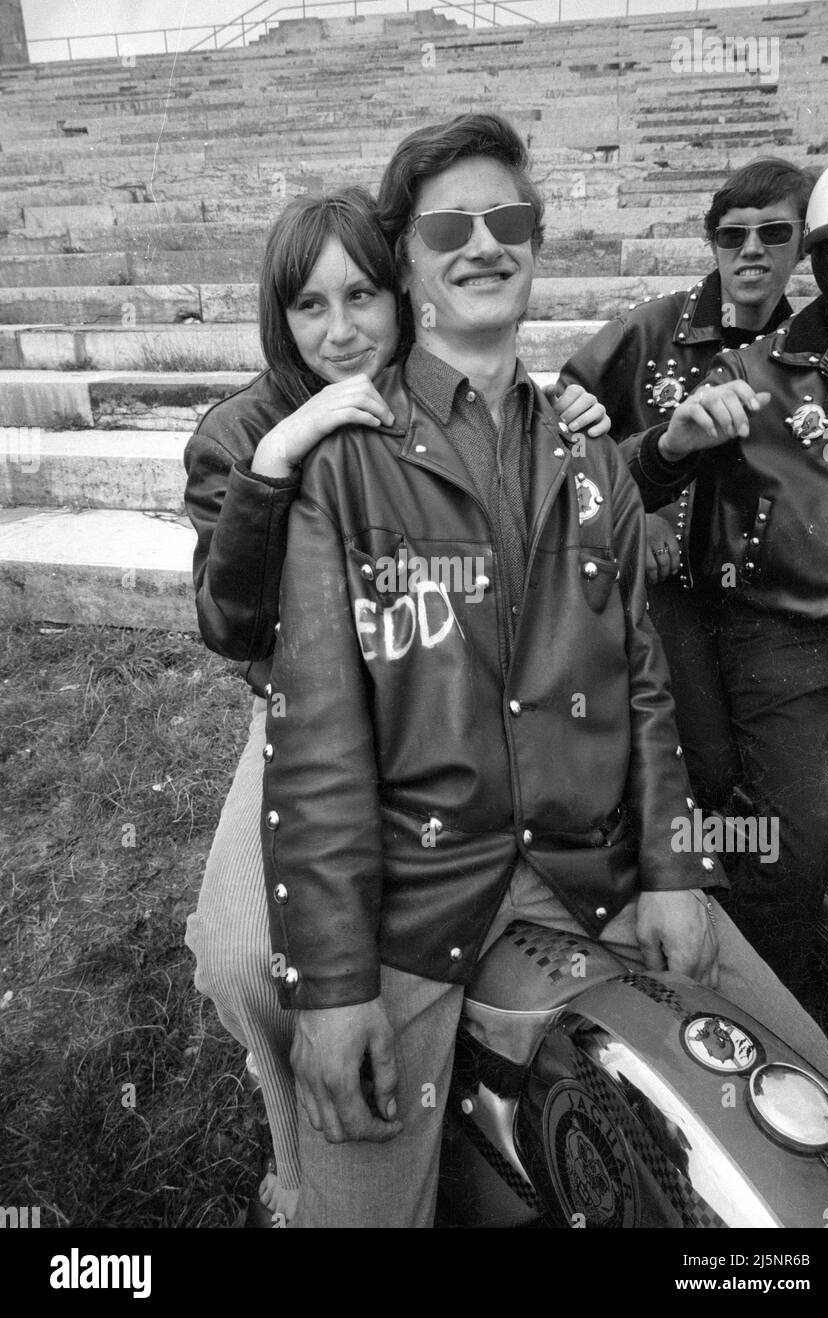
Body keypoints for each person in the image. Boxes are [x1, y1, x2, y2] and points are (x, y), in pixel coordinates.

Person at [260, 113, 828, 1229]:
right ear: (407, 259)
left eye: (508, 218)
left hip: (600, 871)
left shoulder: (586, 452)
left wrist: (674, 869)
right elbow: (317, 744)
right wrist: (332, 993)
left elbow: (641, 680)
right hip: (418, 908)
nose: (483, 243)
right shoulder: (344, 462)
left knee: (810, 1102)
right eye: (449, 226)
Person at [182, 187, 608, 1224]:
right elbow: (234, 624)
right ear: (275, 319)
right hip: (305, 720)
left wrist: (578, 425)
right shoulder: (237, 430)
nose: (340, 331)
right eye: (308, 306)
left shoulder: (445, 392)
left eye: (361, 295)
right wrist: (278, 460)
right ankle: (296, 1159)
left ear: (397, 294)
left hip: (450, 708)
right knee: (242, 958)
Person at [637, 146, 828, 1000]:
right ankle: (775, 1012)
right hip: (784, 634)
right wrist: (668, 447)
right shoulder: (751, 374)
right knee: (789, 844)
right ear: (826, 258)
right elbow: (616, 481)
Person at [554, 159, 814, 811]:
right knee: (711, 762)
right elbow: (561, 428)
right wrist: (632, 512)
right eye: (732, 236)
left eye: (774, 233)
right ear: (714, 245)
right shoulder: (651, 329)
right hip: (664, 584)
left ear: (804, 242)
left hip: (762, 591)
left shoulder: (807, 354)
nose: (752, 250)